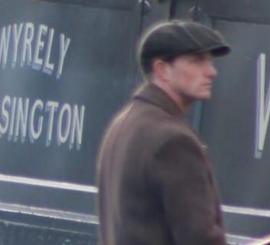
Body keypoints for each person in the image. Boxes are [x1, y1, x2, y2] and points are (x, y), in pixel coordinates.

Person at [97, 20, 229, 244]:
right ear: (162, 69)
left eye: (210, 61)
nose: (211, 72)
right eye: (197, 61)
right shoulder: (173, 141)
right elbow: (199, 239)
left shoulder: (123, 124)